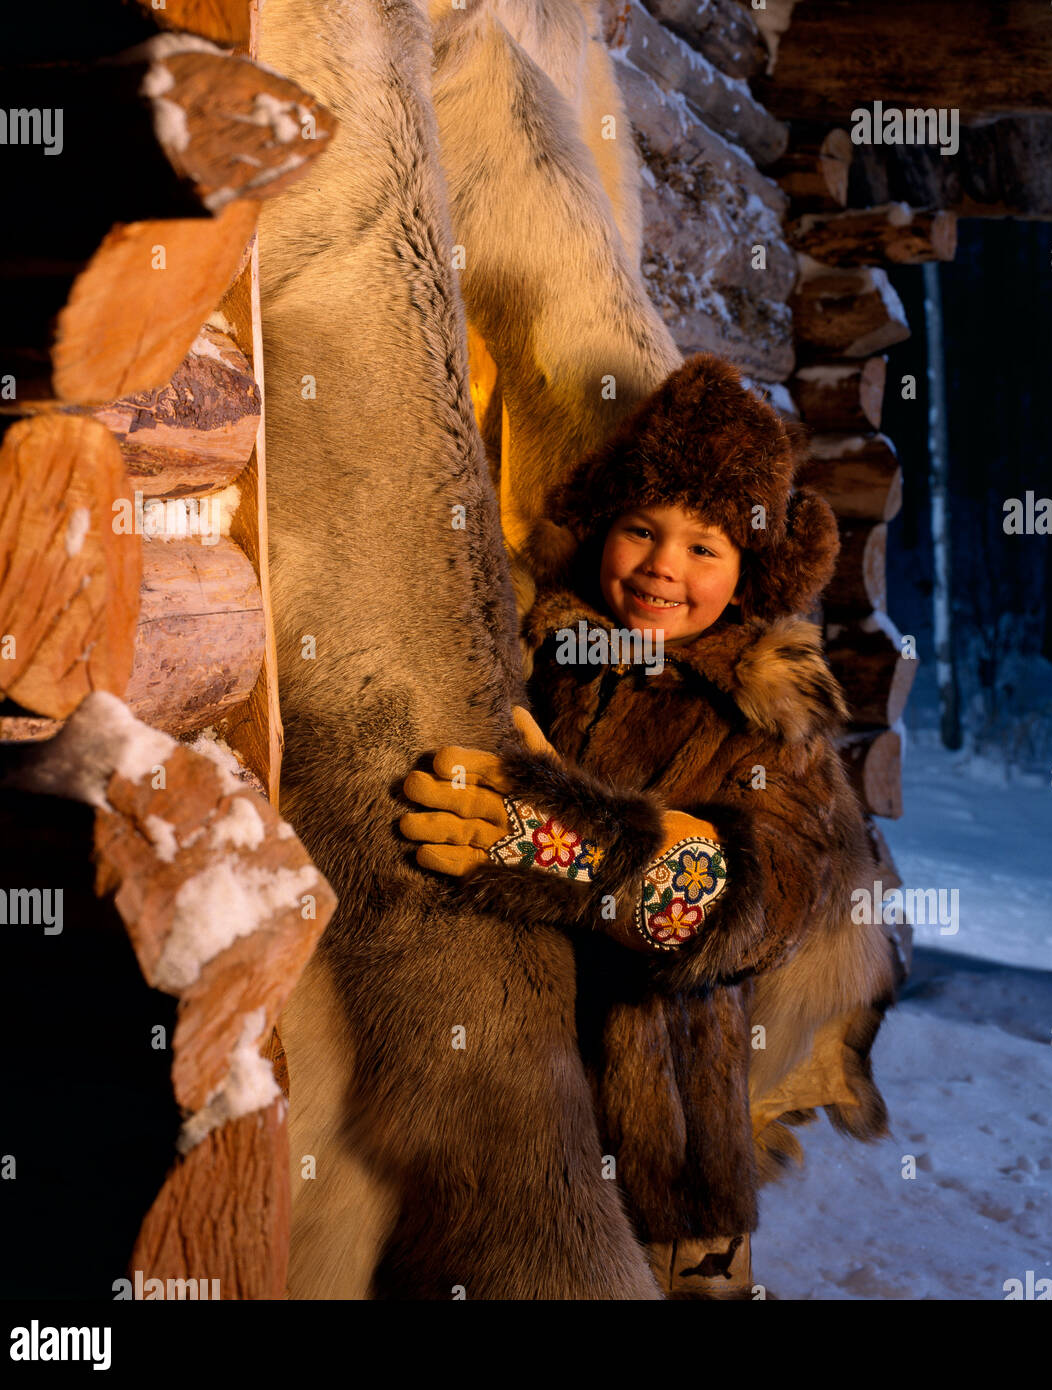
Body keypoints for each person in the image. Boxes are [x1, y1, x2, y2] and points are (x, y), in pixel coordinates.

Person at [398, 354, 896, 1297]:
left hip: (664, 1137)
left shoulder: (769, 716)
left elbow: (766, 904)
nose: (665, 565)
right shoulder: (542, 651)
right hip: (507, 1098)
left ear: (750, 569)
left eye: (705, 546)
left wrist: (571, 848)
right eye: (642, 530)